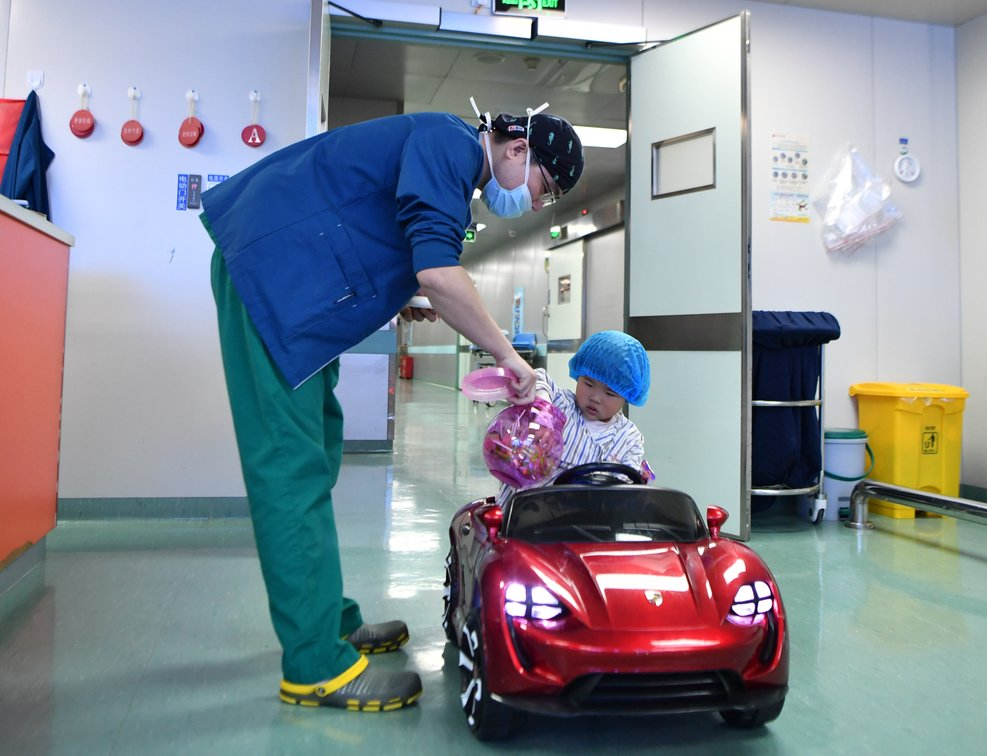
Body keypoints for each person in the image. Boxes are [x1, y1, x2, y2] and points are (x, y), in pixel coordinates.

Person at [200, 105, 584, 712]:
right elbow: (435, 268)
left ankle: (331, 621)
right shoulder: (450, 145)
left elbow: (390, 239)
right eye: (546, 187)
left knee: (318, 451)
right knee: (290, 468)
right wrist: (510, 357)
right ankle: (314, 666)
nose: (539, 204)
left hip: (299, 292)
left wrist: (403, 296)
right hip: (272, 282)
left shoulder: (451, 154)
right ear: (518, 151)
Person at [495, 331, 651, 507]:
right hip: (526, 512)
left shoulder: (628, 437)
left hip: (587, 521)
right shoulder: (562, 403)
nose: (595, 398)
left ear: (627, 397)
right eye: (588, 384)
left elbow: (629, 481)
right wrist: (543, 407)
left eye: (610, 393)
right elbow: (537, 377)